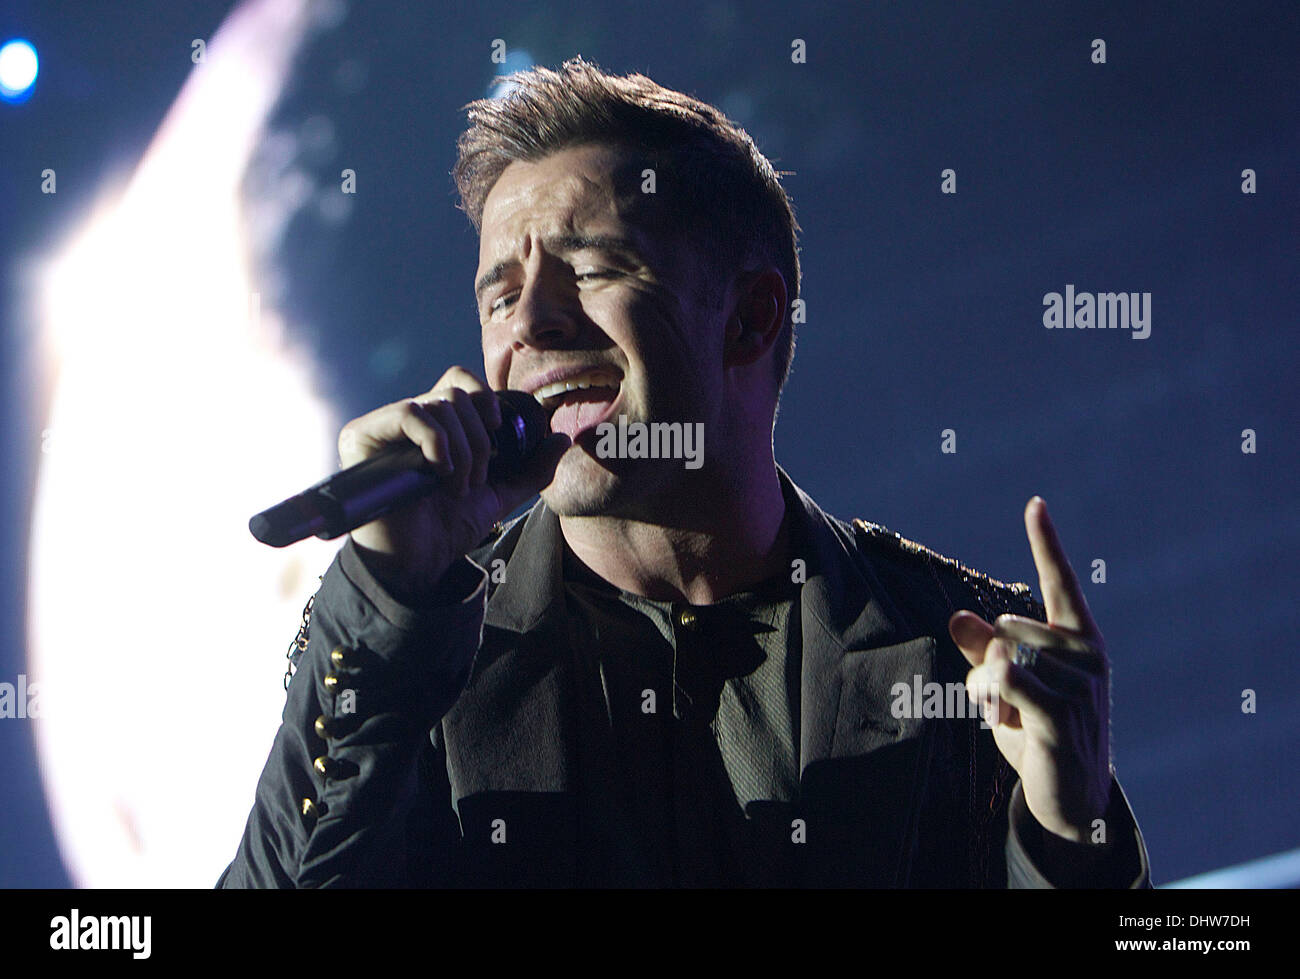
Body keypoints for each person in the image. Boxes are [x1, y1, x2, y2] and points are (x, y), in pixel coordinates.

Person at [218, 57, 1150, 888]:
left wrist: (1071, 841)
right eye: (500, 292)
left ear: (750, 320)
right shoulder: (417, 654)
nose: (531, 323)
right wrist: (383, 595)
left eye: (591, 266)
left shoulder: (963, 656)